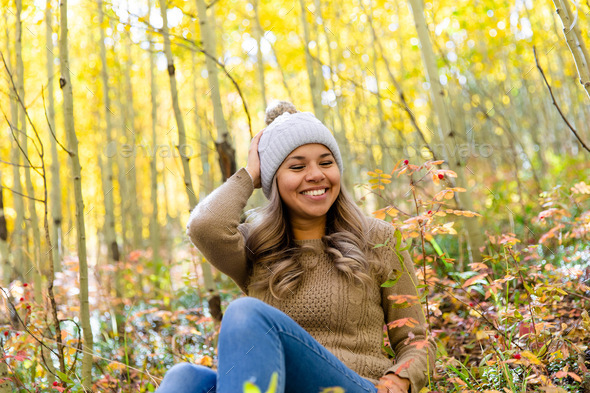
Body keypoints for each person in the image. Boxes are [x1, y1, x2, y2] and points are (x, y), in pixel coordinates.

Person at [156, 101, 435, 393]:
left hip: (354, 386)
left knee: (244, 313)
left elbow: (415, 341)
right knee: (184, 378)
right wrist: (250, 173)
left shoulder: (379, 239)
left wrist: (400, 377)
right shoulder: (255, 246)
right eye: (297, 166)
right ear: (273, 178)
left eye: (326, 162)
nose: (315, 174)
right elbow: (204, 227)